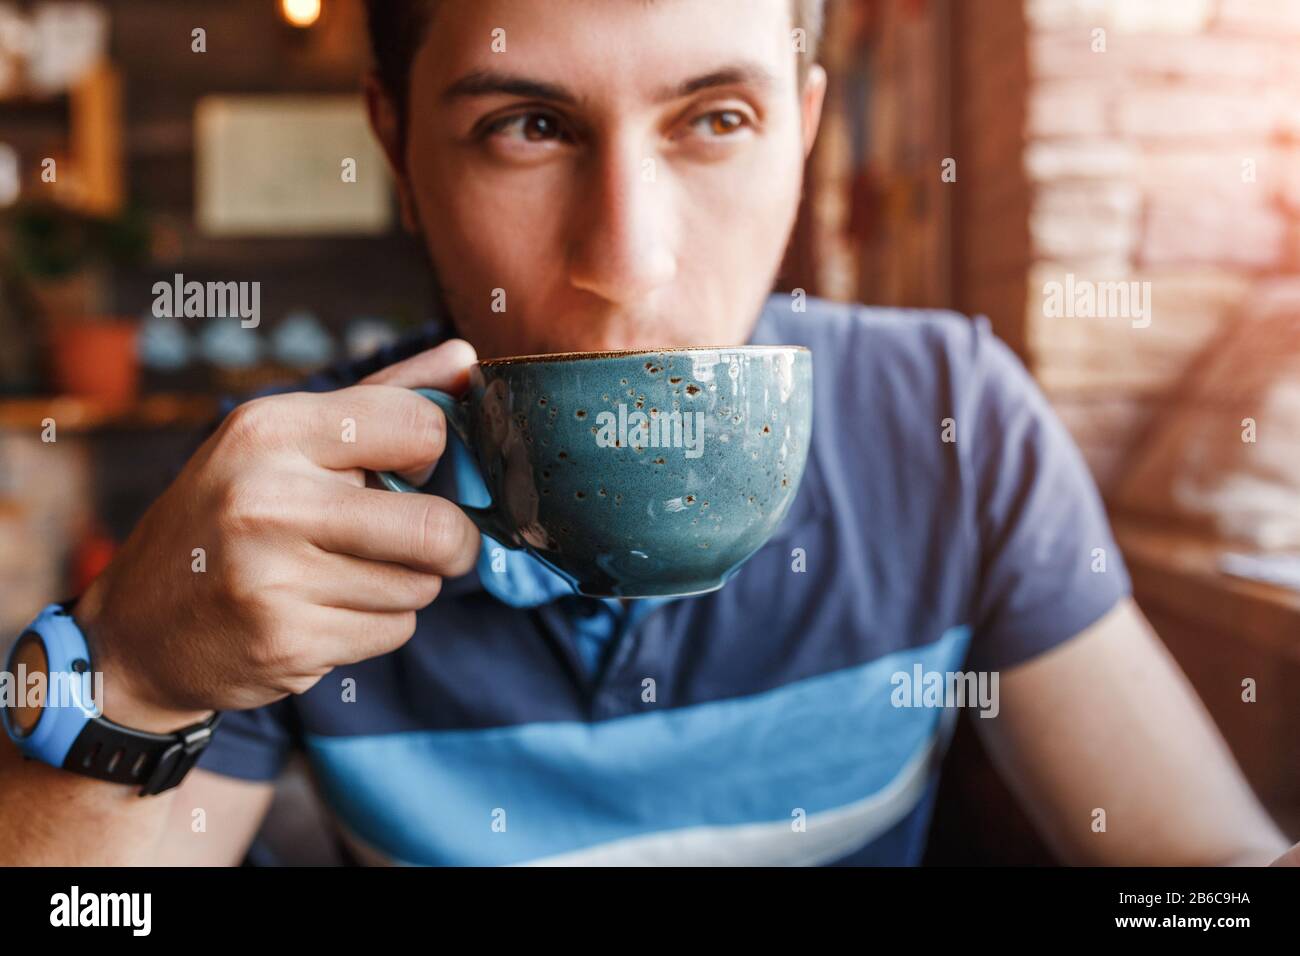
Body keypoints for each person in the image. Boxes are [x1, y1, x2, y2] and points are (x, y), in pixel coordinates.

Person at [1, 0, 1294, 866]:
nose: (629, 259)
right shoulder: (296, 489)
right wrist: (132, 678)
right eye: (526, 126)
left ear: (804, 126)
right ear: (395, 143)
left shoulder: (948, 425)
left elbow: (1204, 874)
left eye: (717, 120)